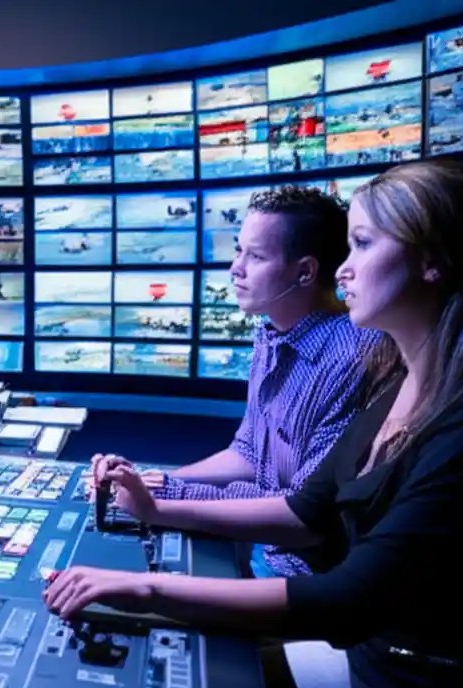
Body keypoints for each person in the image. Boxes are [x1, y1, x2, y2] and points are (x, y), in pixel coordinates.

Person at [46, 159, 463, 688]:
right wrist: (157, 503)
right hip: (368, 657)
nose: (341, 271)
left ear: (433, 262)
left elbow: (345, 600)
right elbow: (304, 511)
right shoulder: (399, 383)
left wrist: (143, 588)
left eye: (362, 245)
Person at [97, 185, 382, 579]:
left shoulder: (353, 358)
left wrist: (166, 498)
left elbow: (306, 519)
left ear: (305, 272)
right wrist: (153, 479)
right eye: (238, 250)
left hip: (302, 576)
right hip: (259, 547)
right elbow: (248, 454)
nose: (236, 268)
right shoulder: (271, 336)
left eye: (256, 256)